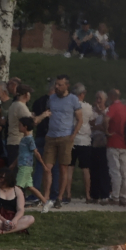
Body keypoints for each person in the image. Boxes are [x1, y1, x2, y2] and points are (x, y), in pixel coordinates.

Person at [42, 75, 83, 208]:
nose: (57, 87)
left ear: (67, 86)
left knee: (63, 168)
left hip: (65, 136)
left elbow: (80, 119)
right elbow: (48, 113)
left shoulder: (73, 99)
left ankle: (59, 197)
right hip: (51, 136)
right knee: (47, 167)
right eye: (56, 84)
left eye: (60, 85)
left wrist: (73, 135)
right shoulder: (52, 98)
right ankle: (46, 196)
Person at [63, 83, 95, 204]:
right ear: (82, 94)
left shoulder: (69, 105)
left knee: (69, 168)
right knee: (85, 169)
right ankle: (88, 195)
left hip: (72, 139)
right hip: (85, 141)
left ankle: (68, 194)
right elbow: (92, 120)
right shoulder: (88, 107)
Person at [103, 88, 126, 206]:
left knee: (115, 170)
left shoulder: (113, 108)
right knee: (125, 171)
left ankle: (115, 196)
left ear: (111, 96)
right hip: (124, 143)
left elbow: (106, 119)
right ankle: (124, 196)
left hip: (113, 142)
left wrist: (107, 131)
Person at [12, 116, 49, 212]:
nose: (19, 126)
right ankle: (45, 202)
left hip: (25, 166)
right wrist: (13, 164)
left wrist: (44, 165)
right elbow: (21, 154)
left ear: (25, 127)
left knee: (17, 187)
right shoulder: (23, 139)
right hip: (22, 165)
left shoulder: (30, 139)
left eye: (20, 125)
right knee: (30, 187)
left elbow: (36, 152)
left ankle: (15, 205)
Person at [0, 168, 36, 235]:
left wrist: (15, 220)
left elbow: (20, 209)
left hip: (13, 219)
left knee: (31, 218)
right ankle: (16, 228)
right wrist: (4, 220)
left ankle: (4, 232)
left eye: (1, 177)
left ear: (9, 179)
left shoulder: (17, 190)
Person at [88, 90, 111, 203]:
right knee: (93, 168)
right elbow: (90, 124)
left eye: (100, 98)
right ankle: (94, 194)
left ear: (105, 100)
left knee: (104, 168)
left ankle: (105, 193)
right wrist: (98, 126)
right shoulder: (92, 111)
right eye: (97, 98)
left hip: (103, 141)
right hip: (93, 140)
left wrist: (98, 125)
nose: (98, 101)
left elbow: (106, 127)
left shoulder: (107, 111)